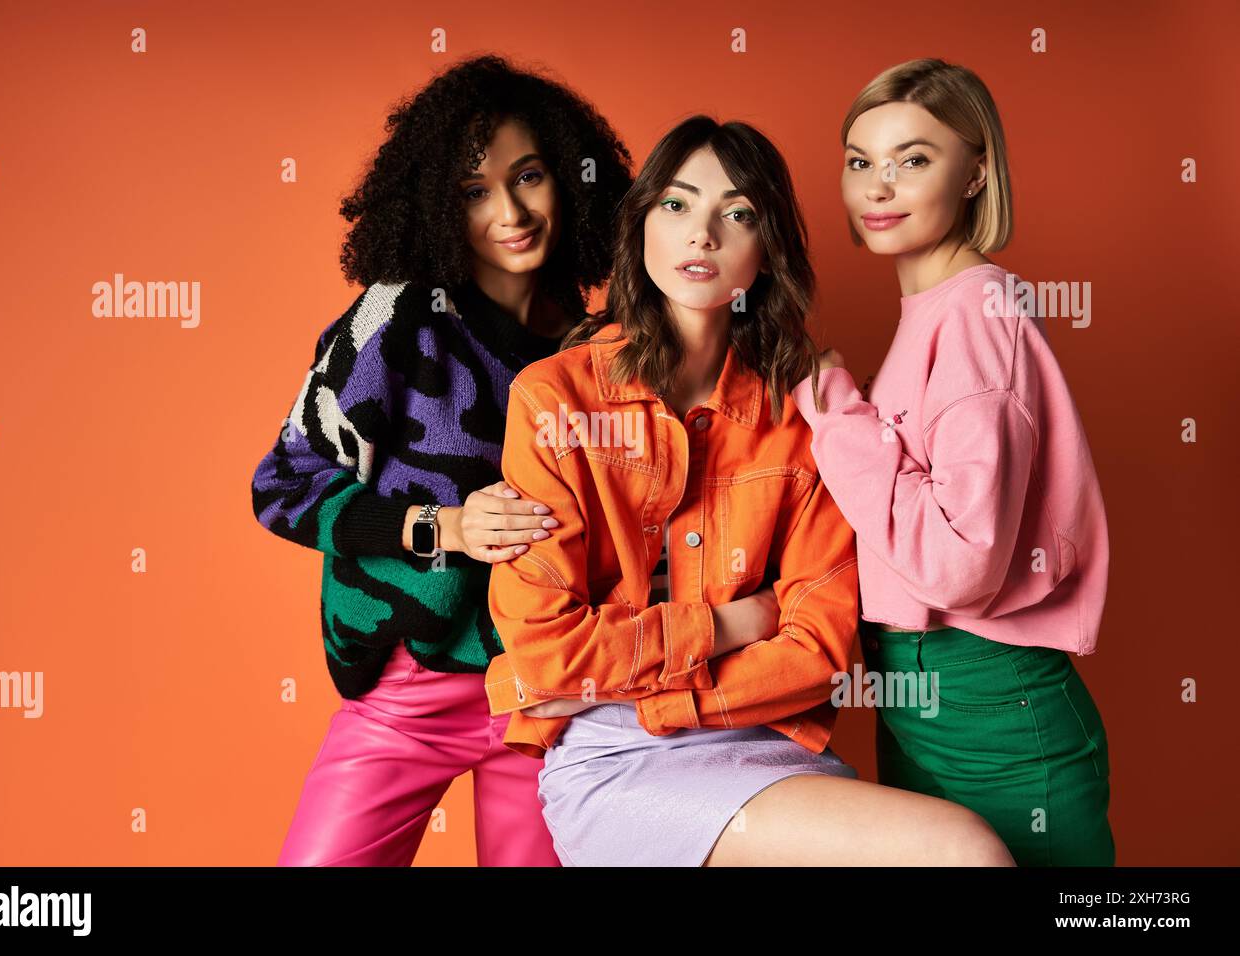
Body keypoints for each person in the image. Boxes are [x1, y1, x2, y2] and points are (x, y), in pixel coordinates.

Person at [482, 115, 1017, 866]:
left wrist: (645, 690)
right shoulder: (554, 400)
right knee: (960, 850)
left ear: (766, 253)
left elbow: (820, 652)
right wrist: (732, 625)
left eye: (737, 214)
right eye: (676, 205)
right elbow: (545, 655)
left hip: (763, 741)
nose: (702, 234)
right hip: (617, 761)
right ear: (640, 227)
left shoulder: (802, 418)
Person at [250, 54, 632, 866]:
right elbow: (280, 488)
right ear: (435, 205)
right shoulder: (397, 321)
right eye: (474, 191)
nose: (511, 211)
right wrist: (444, 526)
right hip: (407, 692)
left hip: (545, 692)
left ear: (567, 176)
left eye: (528, 176)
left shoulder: (600, 349)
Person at [790, 58, 1114, 866]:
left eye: (914, 159)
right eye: (861, 162)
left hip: (985, 696)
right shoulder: (938, 308)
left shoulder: (974, 312)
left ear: (976, 173)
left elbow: (960, 563)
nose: (879, 186)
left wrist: (834, 407)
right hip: (926, 690)